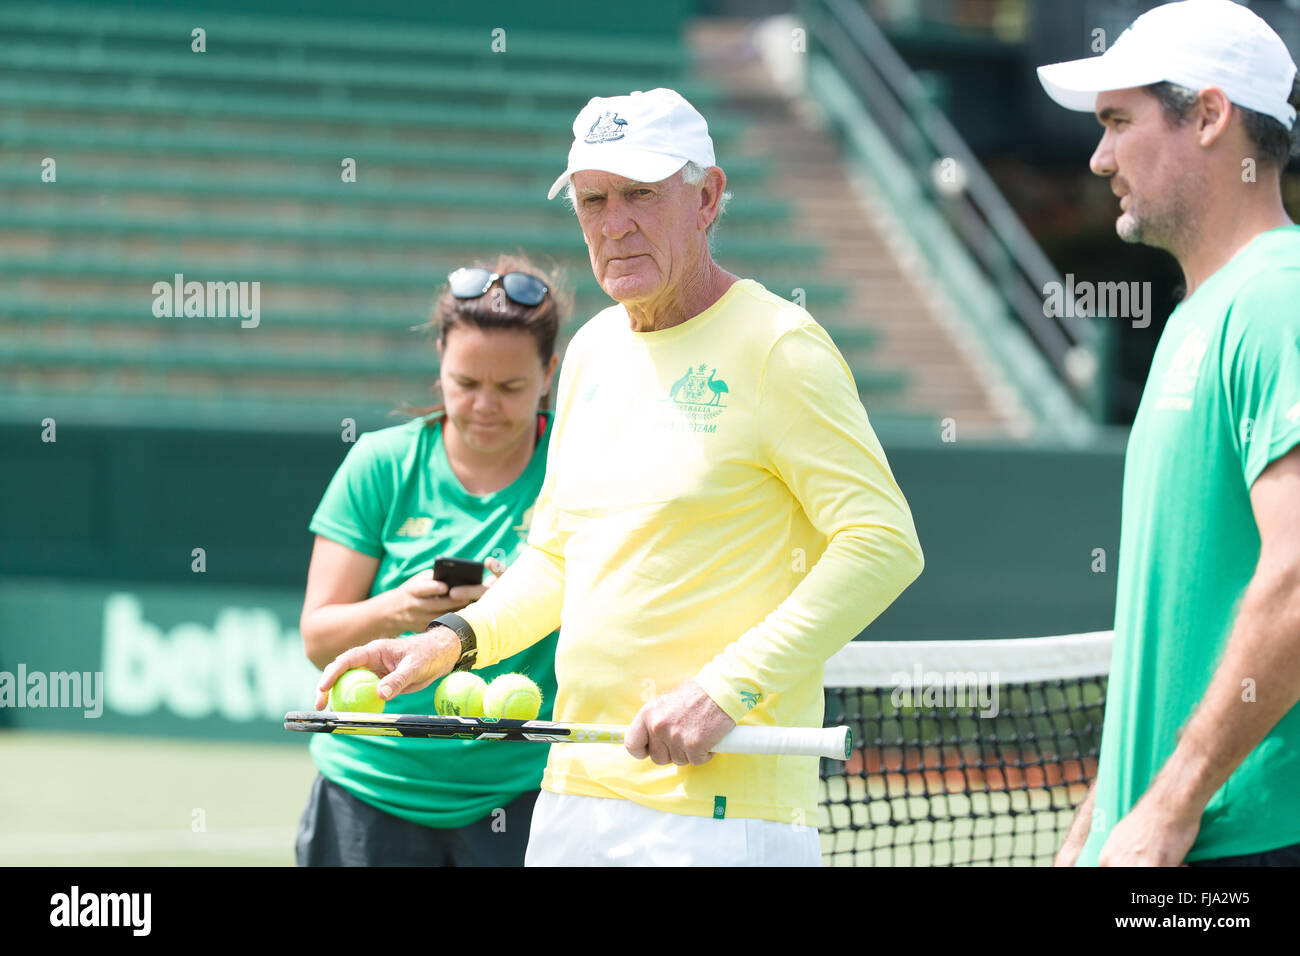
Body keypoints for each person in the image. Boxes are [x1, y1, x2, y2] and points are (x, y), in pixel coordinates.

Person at [316, 88, 924, 866]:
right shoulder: (596, 349)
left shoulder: (781, 346)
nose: (614, 224)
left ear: (706, 198)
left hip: (718, 810)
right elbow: (559, 556)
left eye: (640, 194)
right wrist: (448, 642)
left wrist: (723, 692)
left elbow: (882, 544)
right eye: (592, 200)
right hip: (575, 792)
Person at [1037, 0, 1300, 866]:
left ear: (1213, 116)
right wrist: (1111, 804)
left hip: (1246, 843)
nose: (1098, 156)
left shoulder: (1278, 297)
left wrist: (1172, 801)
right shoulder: (1200, 313)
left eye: (1118, 121)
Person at [295, 254, 565, 866]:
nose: (485, 406)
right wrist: (402, 607)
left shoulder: (575, 468)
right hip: (369, 795)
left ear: (548, 373)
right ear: (440, 360)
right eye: (466, 384)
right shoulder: (379, 464)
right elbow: (318, 639)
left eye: (511, 387)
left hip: (525, 797)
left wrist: (520, 602)